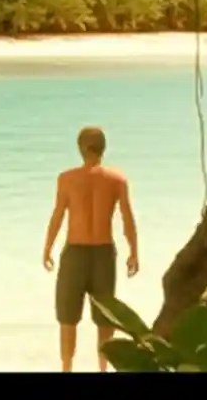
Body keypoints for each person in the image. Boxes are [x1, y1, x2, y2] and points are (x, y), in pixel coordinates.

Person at [42, 125, 139, 372]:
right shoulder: (117, 179)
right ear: (104, 149)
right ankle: (102, 369)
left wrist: (47, 247)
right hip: (104, 253)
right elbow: (127, 218)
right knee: (105, 318)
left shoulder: (66, 179)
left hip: (75, 253)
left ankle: (66, 368)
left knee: (67, 317)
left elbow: (58, 215)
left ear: (80, 148)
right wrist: (134, 251)